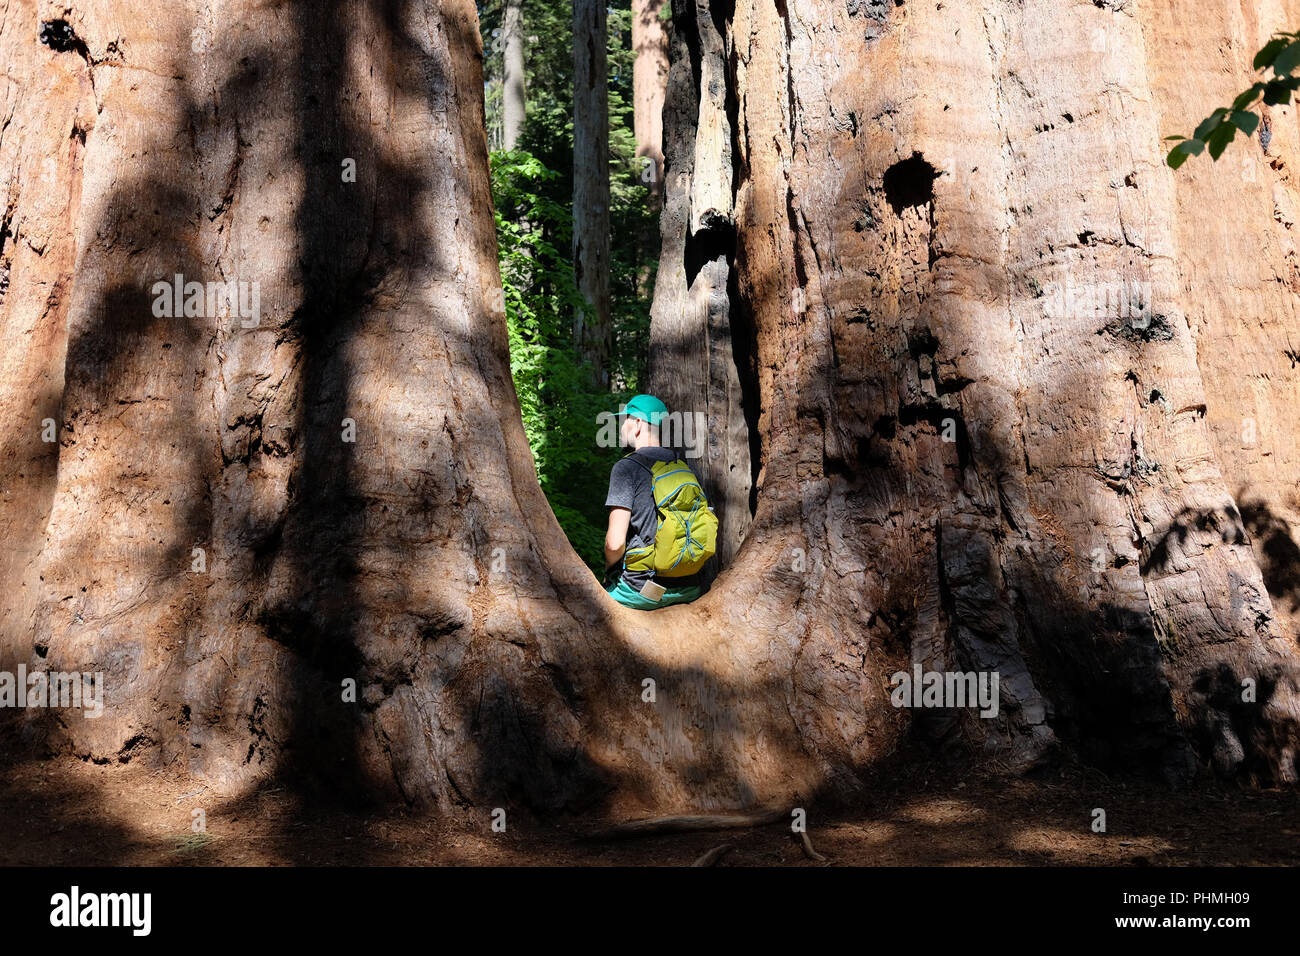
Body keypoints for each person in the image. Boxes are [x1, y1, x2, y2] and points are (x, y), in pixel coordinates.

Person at [603, 394, 706, 610]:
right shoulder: (685, 467)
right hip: (690, 586)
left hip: (643, 590)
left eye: (624, 422)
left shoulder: (626, 468)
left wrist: (608, 572)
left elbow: (615, 544)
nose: (621, 429)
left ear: (638, 424)